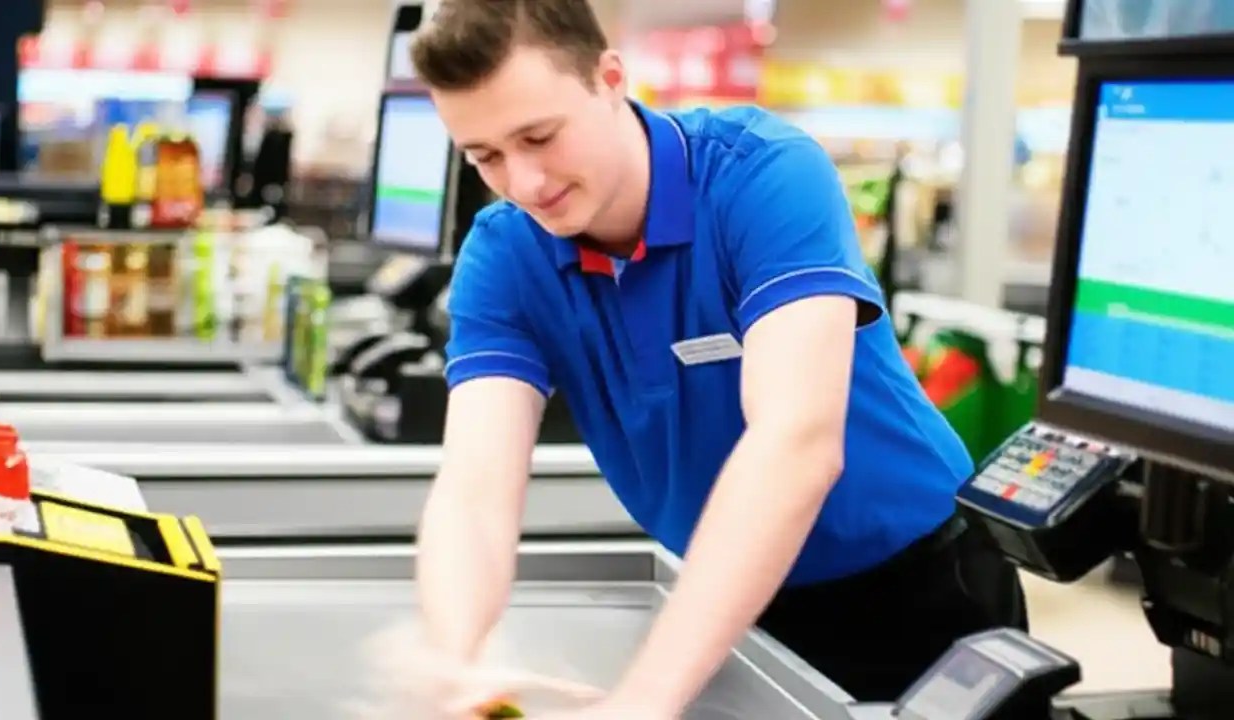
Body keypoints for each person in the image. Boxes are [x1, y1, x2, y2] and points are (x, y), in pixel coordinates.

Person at [406, 1, 1028, 717]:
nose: (525, 183)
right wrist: (458, 662)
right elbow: (475, 487)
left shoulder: (761, 176)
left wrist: (643, 699)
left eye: (540, 137)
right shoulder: (506, 252)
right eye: (484, 156)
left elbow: (795, 445)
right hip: (724, 602)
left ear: (609, 78)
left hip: (915, 591)